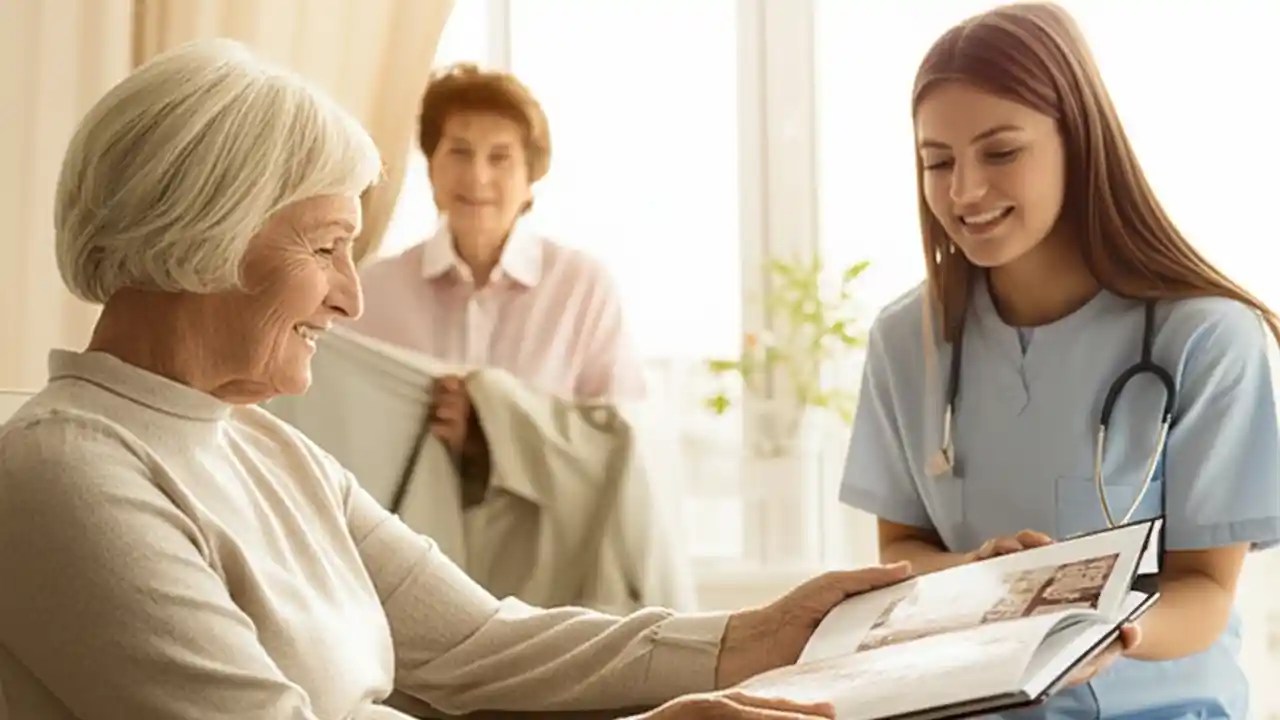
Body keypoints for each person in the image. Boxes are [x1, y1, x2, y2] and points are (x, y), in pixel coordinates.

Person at [0, 38, 908, 720]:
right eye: (325, 246)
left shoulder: (271, 452)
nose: (352, 297)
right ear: (199, 238)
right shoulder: (65, 478)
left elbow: (481, 643)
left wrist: (755, 634)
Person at [839, 2, 1280, 718]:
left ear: (1079, 140)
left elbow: (1203, 588)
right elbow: (902, 554)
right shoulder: (907, 338)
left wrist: (1100, 631)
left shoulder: (1206, 339)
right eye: (937, 161)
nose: (964, 192)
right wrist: (977, 578)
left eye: (1001, 152)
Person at [348, 63, 646, 460]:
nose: (477, 177)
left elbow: (619, 442)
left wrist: (496, 430)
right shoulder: (372, 291)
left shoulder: (582, 288)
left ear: (530, 179)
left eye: (500, 157)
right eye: (459, 152)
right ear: (432, 167)